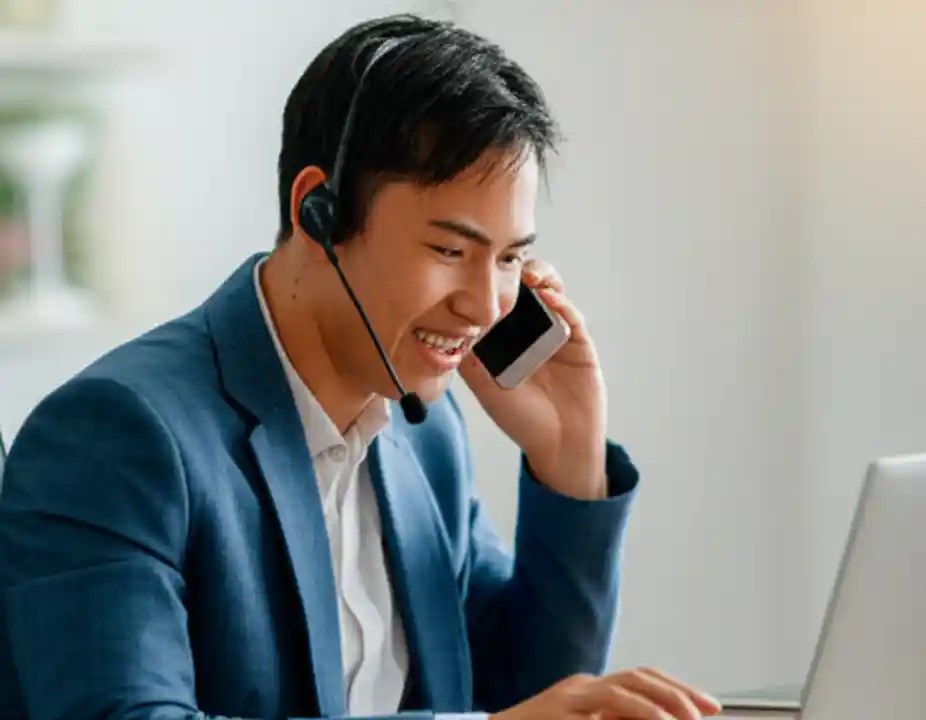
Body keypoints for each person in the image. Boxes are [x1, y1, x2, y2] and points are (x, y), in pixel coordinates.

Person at [0, 14, 722, 720]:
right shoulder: (118, 435)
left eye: (508, 258)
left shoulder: (423, 432)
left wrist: (569, 460)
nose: (485, 306)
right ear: (318, 212)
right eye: (450, 251)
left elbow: (526, 692)